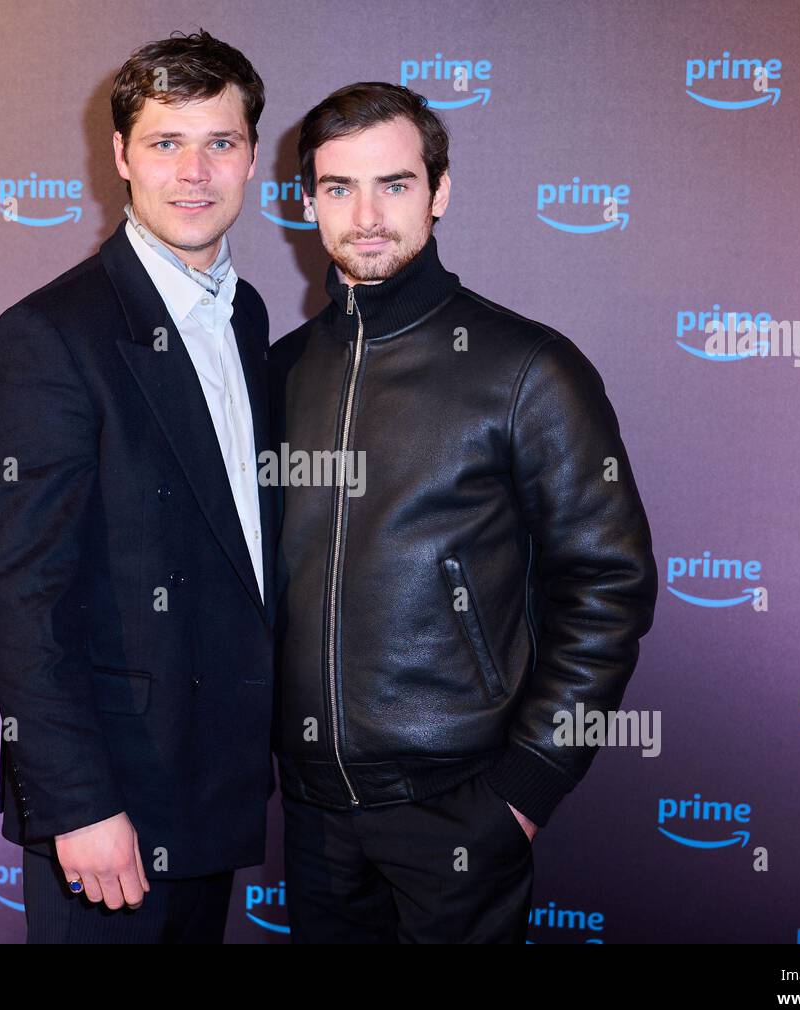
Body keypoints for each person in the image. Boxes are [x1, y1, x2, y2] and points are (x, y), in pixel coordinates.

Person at [270, 82, 659, 943]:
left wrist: (528, 785)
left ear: (440, 191)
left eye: (395, 184)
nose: (366, 214)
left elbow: (610, 583)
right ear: (307, 202)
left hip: (460, 809)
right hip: (311, 814)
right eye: (339, 188)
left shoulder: (528, 369)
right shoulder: (279, 373)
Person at [0, 30, 273, 943]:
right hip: (113, 807)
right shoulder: (49, 334)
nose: (195, 171)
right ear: (119, 157)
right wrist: (78, 804)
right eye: (164, 142)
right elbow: (25, 595)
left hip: (218, 782)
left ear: (252, 157)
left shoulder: (249, 312)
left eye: (219, 142)